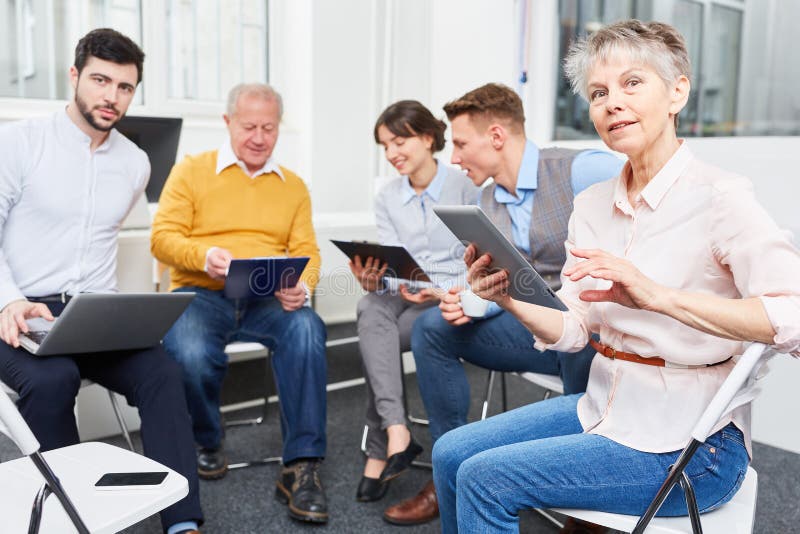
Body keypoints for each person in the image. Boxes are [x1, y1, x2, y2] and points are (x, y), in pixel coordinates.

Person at [431, 19, 800, 534]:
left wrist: (658, 297)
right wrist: (508, 298)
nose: (611, 103)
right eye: (599, 92)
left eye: (632, 83)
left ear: (677, 92)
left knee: (484, 478)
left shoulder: (721, 198)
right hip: (603, 408)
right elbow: (575, 327)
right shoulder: (592, 205)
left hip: (693, 445)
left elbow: (793, 317)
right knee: (451, 453)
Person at [383, 83, 623, 525]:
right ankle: (448, 472)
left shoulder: (582, 169)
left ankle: (587, 492)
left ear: (496, 137)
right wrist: (471, 304)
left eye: (459, 144)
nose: (452, 158)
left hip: (592, 331)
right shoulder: (487, 201)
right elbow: (502, 283)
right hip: (532, 328)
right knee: (431, 329)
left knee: (588, 333)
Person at [0, 29, 203, 534]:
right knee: (53, 378)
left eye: (125, 87)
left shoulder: (135, 164)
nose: (112, 96)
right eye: (100, 80)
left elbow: (97, 245)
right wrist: (9, 300)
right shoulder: (19, 142)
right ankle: (67, 519)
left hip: (88, 311)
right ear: (75, 76)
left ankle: (183, 523)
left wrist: (116, 317)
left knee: (162, 372)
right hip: (16, 308)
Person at [151, 83, 329, 524]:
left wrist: (300, 286)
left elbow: (308, 250)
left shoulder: (294, 187)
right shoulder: (192, 171)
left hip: (265, 297)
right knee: (188, 349)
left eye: (268, 128)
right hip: (201, 292)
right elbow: (162, 239)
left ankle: (301, 465)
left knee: (307, 326)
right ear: (227, 123)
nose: (259, 137)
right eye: (248, 126)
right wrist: (203, 257)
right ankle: (208, 438)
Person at [352, 101, 479, 503]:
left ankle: (384, 446)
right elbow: (393, 263)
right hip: (400, 294)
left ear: (427, 138)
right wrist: (374, 276)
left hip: (448, 299)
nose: (391, 153)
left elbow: (480, 264)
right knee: (369, 306)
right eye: (385, 145)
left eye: (399, 141)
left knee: (378, 341)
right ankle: (398, 432)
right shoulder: (387, 195)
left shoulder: (466, 186)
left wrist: (437, 289)